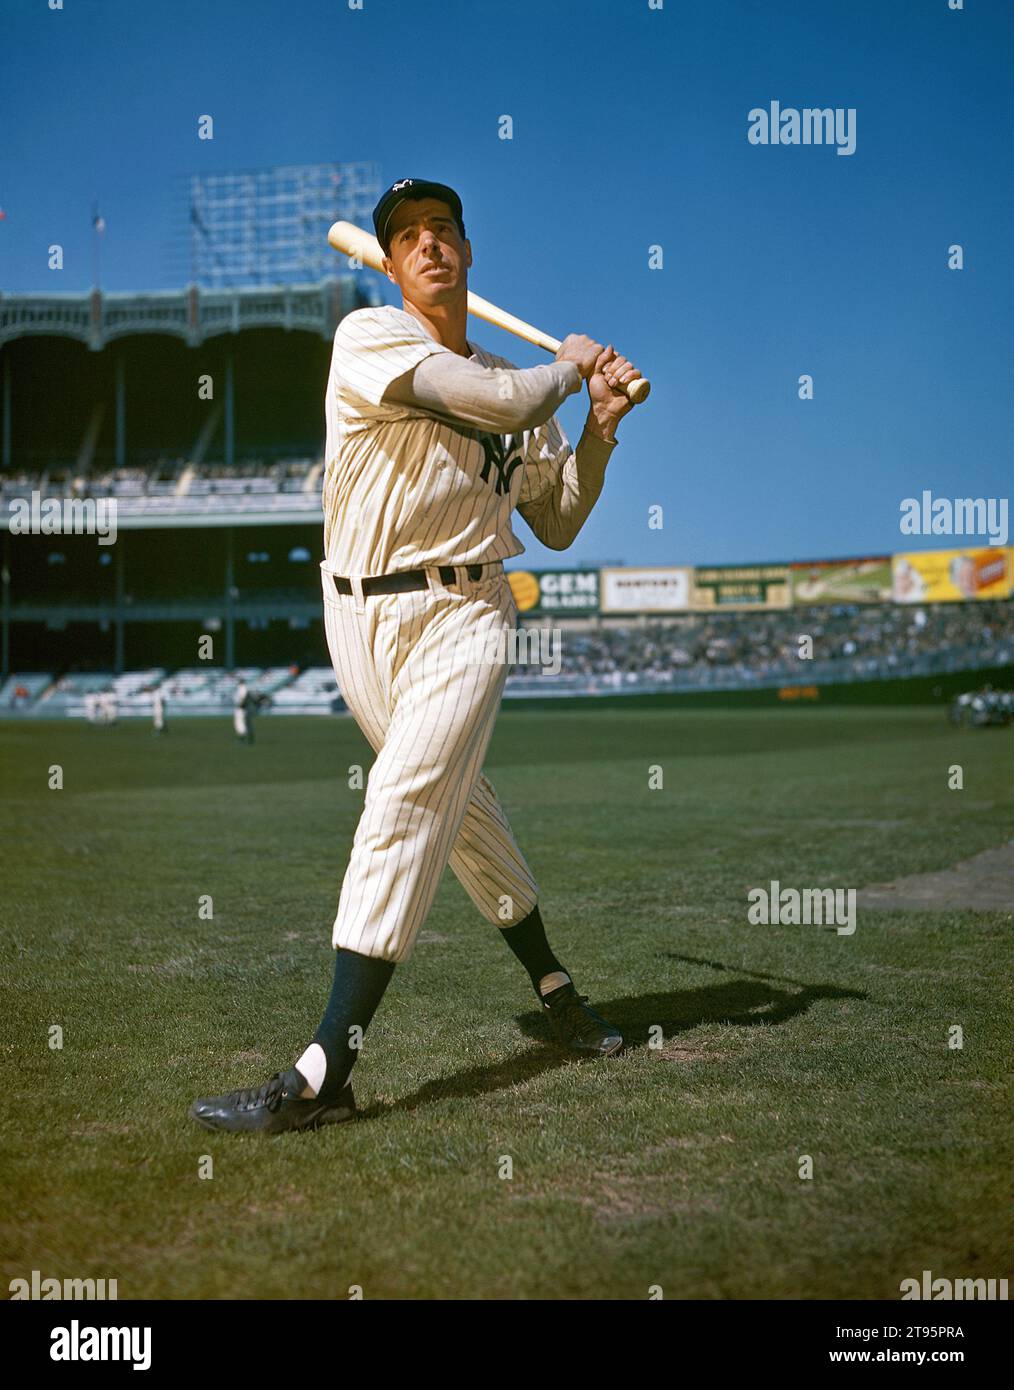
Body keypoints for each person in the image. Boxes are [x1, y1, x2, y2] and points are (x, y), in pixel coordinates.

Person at [190, 178, 644, 1135]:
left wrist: (597, 428)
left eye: (443, 229)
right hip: (356, 618)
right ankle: (556, 992)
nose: (428, 243)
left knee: (405, 799)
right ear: (390, 265)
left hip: (467, 610)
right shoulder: (372, 339)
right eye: (408, 236)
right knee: (460, 810)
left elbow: (557, 520)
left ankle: (325, 1067)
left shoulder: (526, 388)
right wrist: (563, 371)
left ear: (467, 252)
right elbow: (491, 395)